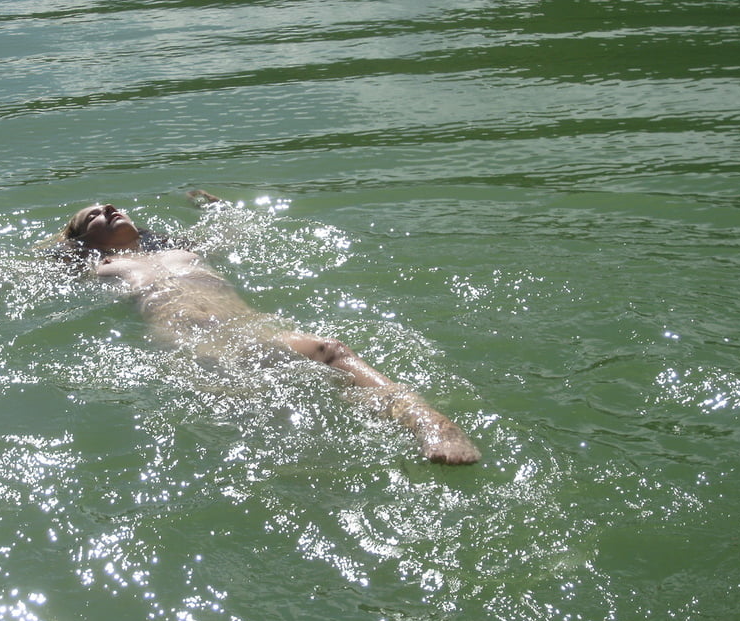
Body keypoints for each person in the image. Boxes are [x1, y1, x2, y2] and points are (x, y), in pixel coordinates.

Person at [58, 195, 481, 465]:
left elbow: (231, 232)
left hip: (249, 326)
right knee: (266, 422)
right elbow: (14, 274)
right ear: (81, 239)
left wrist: (215, 207)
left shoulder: (178, 248)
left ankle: (430, 424)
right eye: (93, 214)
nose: (110, 210)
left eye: (112, 206)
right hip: (189, 342)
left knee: (329, 349)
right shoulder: (99, 267)